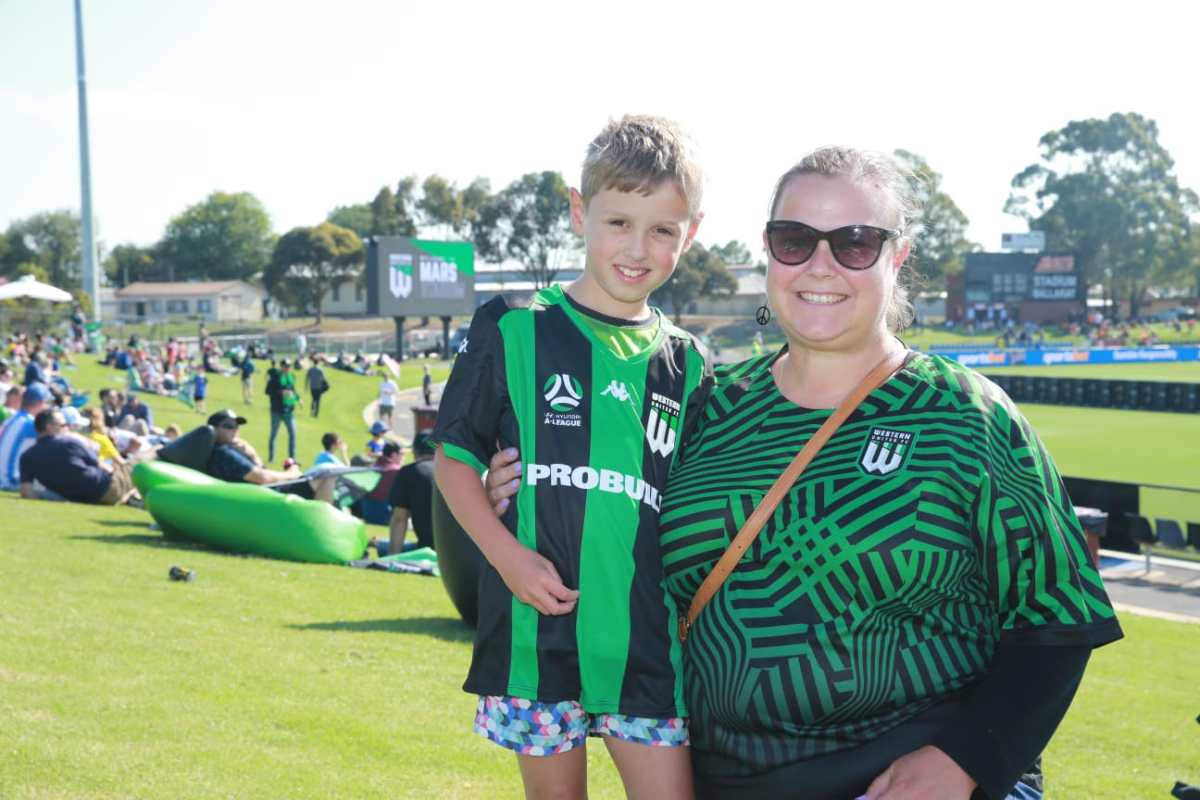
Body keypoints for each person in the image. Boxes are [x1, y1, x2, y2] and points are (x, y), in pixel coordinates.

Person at [484, 147, 1124, 800]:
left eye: (855, 242)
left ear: (895, 256)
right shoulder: (703, 403)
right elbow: (605, 520)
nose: (820, 265)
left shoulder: (966, 415)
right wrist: (511, 492)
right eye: (794, 240)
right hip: (716, 778)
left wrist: (964, 759)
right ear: (769, 251)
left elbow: (1057, 617)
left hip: (903, 778)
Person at [434, 115, 710, 800]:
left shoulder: (691, 363)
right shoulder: (512, 325)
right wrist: (506, 555)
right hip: (536, 641)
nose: (637, 247)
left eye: (662, 230)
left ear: (692, 233)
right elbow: (454, 461)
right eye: (618, 222)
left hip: (647, 650)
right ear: (580, 210)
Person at [19, 408, 137, 505]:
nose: (67, 428)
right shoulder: (69, 443)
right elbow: (105, 468)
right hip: (106, 488)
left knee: (129, 486)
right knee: (144, 459)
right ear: (50, 427)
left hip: (83, 498)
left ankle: (132, 495)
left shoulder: (27, 456)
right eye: (63, 425)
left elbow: (27, 491)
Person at [204, 409, 300, 485]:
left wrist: (252, 455)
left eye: (237, 426)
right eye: (229, 426)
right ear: (214, 429)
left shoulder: (228, 449)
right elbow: (262, 477)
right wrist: (290, 474)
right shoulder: (223, 453)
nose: (234, 430)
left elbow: (261, 471)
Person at [386, 432, 436, 554]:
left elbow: (400, 518)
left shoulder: (409, 472)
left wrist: (392, 558)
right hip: (461, 554)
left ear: (414, 451)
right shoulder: (458, 474)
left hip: (428, 549)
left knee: (382, 547)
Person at [0, 382, 51, 490]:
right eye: (46, 402)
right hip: (12, 482)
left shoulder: (10, 419)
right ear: (40, 403)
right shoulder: (31, 424)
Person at [265, 359, 300, 463]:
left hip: (288, 411)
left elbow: (292, 390)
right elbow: (268, 391)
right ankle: (271, 458)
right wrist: (281, 392)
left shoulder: (291, 377)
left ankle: (292, 459)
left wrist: (298, 399)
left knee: (293, 434)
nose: (287, 368)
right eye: (286, 366)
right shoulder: (275, 377)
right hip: (276, 410)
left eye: (289, 366)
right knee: (274, 434)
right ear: (281, 366)